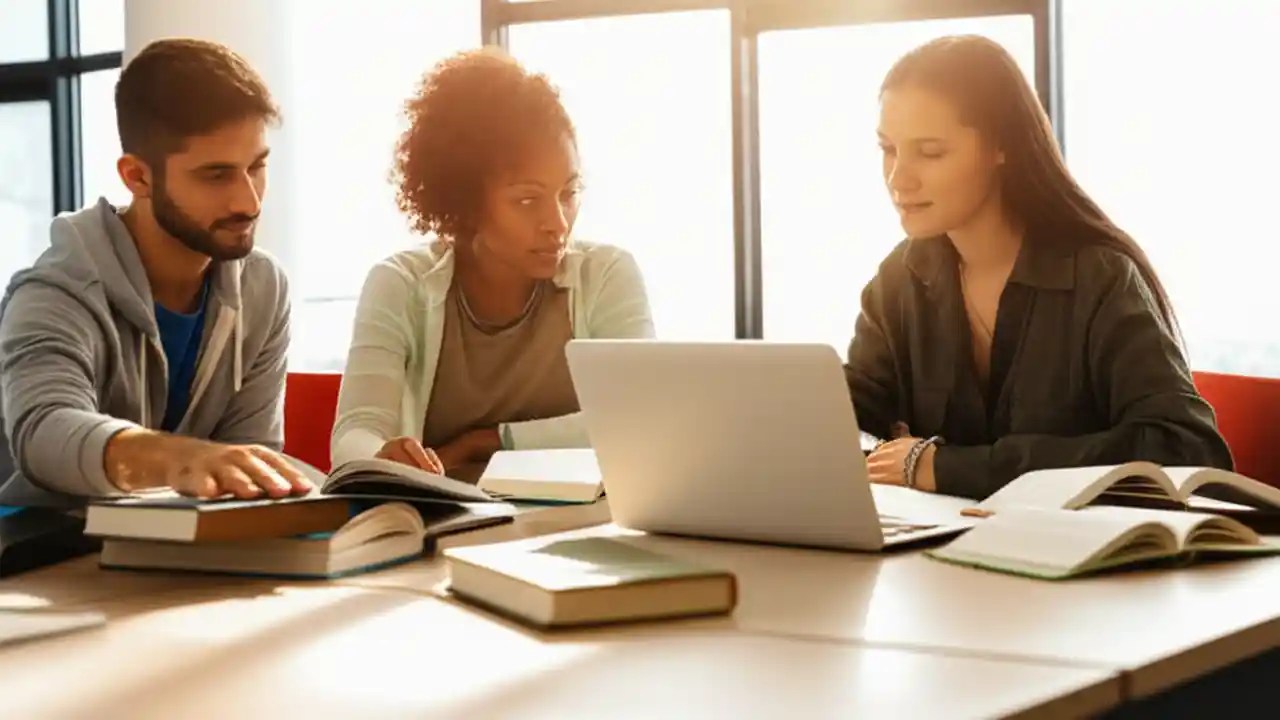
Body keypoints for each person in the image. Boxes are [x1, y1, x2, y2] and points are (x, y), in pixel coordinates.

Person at [847, 35, 1231, 500]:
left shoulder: (1099, 277)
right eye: (888, 149)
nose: (897, 178)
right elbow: (854, 410)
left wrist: (948, 468)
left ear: (1001, 147)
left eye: (930, 152)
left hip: (1090, 561)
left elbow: (1187, 448)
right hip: (943, 558)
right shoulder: (899, 279)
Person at [0, 38, 312, 508]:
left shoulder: (263, 287)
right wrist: (176, 458)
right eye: (216, 175)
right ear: (138, 178)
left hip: (177, 555)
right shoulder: (54, 292)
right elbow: (43, 431)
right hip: (47, 555)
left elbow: (252, 459)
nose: (248, 202)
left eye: (257, 166)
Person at [332, 48, 655, 482]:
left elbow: (638, 421)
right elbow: (355, 435)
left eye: (569, 192)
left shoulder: (606, 275)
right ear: (463, 201)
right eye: (527, 200)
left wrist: (488, 441)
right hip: (447, 529)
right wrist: (384, 455)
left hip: (579, 526)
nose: (557, 224)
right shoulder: (400, 284)